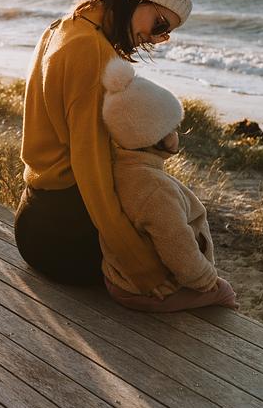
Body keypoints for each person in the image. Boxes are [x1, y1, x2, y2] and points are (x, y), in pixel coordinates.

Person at [15, 0, 193, 295]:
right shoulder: (91, 50)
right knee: (180, 244)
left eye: (165, 34)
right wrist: (139, 266)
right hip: (66, 234)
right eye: (159, 25)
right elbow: (91, 172)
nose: (155, 38)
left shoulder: (63, 27)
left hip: (38, 214)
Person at [99, 56, 237, 311]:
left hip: (116, 278)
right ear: (151, 137)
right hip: (146, 291)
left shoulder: (121, 168)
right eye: (171, 129)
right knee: (225, 293)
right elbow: (177, 246)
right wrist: (208, 281)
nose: (177, 135)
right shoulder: (155, 189)